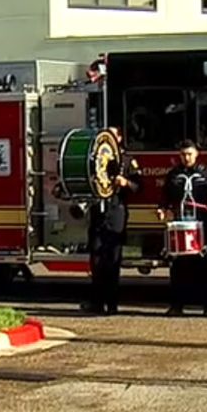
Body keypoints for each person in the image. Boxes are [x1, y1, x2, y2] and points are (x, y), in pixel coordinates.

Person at [80, 127, 140, 316]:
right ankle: (96, 303)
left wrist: (126, 183)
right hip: (98, 213)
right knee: (96, 260)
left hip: (117, 213)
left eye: (114, 135)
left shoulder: (128, 160)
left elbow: (139, 187)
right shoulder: (93, 160)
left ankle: (112, 304)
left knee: (113, 260)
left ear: (120, 138)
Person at [160, 140, 207, 317]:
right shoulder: (173, 175)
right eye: (183, 154)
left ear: (196, 154)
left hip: (201, 226)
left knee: (202, 267)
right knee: (177, 269)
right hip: (180, 225)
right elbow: (165, 196)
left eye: (189, 154)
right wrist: (162, 209)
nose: (186, 158)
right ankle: (177, 306)